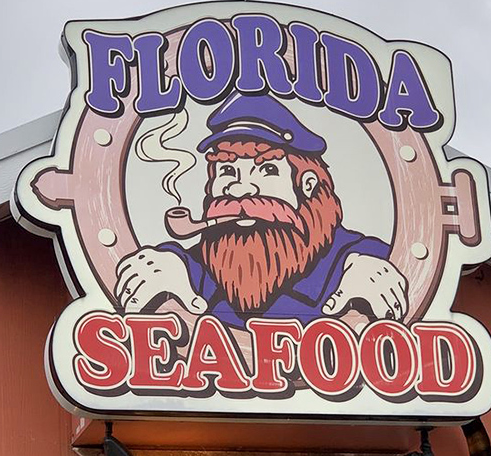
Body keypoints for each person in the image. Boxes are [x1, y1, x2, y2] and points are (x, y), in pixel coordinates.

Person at [115, 94, 408, 329]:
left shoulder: (350, 261)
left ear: (306, 185)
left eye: (266, 169)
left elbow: (373, 256)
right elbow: (191, 263)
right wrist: (168, 263)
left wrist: (380, 267)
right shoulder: (199, 268)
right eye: (227, 170)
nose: (241, 189)